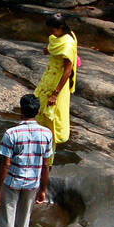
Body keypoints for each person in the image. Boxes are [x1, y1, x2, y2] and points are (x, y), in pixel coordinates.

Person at [0, 92, 53, 227]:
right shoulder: (46, 134)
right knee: (23, 220)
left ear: (21, 110)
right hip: (32, 183)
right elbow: (46, 165)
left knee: (6, 221)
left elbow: (5, 164)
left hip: (12, 182)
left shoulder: (11, 133)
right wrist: (43, 189)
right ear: (38, 111)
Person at [35, 11, 77, 156]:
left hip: (57, 85)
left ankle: (47, 157)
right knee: (39, 110)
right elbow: (53, 46)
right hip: (48, 80)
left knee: (51, 117)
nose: (51, 33)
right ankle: (36, 147)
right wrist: (49, 50)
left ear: (60, 27)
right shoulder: (56, 39)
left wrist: (55, 94)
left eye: (53, 30)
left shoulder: (68, 44)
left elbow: (67, 72)